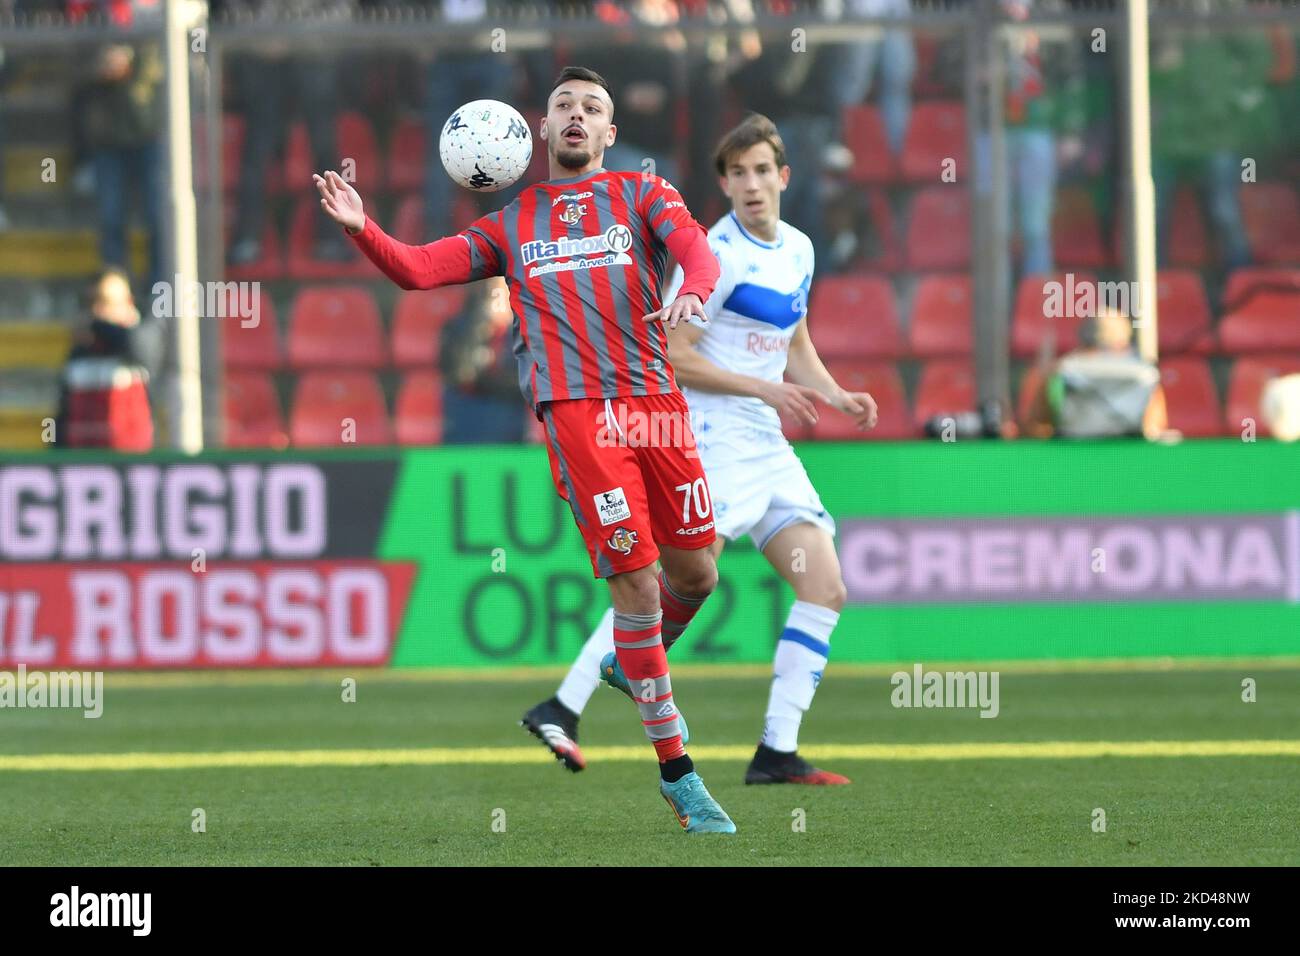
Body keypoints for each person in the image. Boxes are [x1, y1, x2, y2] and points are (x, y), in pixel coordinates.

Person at [315, 66, 736, 835]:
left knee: (698, 574)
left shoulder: (645, 194)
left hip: (656, 406)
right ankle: (680, 775)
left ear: (610, 133)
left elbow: (699, 255)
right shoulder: (512, 223)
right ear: (539, 131)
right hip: (580, 416)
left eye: (593, 109)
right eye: (564, 106)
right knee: (638, 591)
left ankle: (627, 665)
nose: (577, 116)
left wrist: (693, 290)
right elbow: (417, 270)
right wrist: (361, 228)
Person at [521, 113, 879, 785]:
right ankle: (564, 704)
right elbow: (672, 353)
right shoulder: (717, 254)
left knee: (825, 587)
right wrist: (761, 391)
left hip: (766, 447)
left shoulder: (799, 248)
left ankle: (776, 752)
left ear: (784, 177)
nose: (751, 184)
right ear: (723, 183)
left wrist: (833, 394)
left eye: (762, 170)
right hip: (710, 437)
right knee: (660, 585)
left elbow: (794, 342)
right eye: (737, 173)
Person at [54, 267, 165, 451]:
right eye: (91, 303)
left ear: (128, 302)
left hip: (133, 467)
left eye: (105, 301)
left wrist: (97, 325)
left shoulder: (145, 335)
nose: (97, 310)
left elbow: (136, 346)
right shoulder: (81, 351)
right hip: (83, 467)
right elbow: (62, 415)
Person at [1020, 307, 1170, 441]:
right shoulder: (1144, 375)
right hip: (1129, 463)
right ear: (1123, 343)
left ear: (1082, 340)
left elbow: (1036, 426)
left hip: (1070, 461)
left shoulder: (1059, 372)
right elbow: (1155, 427)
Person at [439, 277, 529, 443]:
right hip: (464, 430)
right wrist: (481, 324)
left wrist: (481, 381)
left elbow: (526, 383)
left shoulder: (526, 335)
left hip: (510, 434)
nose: (498, 298)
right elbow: (460, 372)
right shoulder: (458, 328)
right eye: (492, 292)